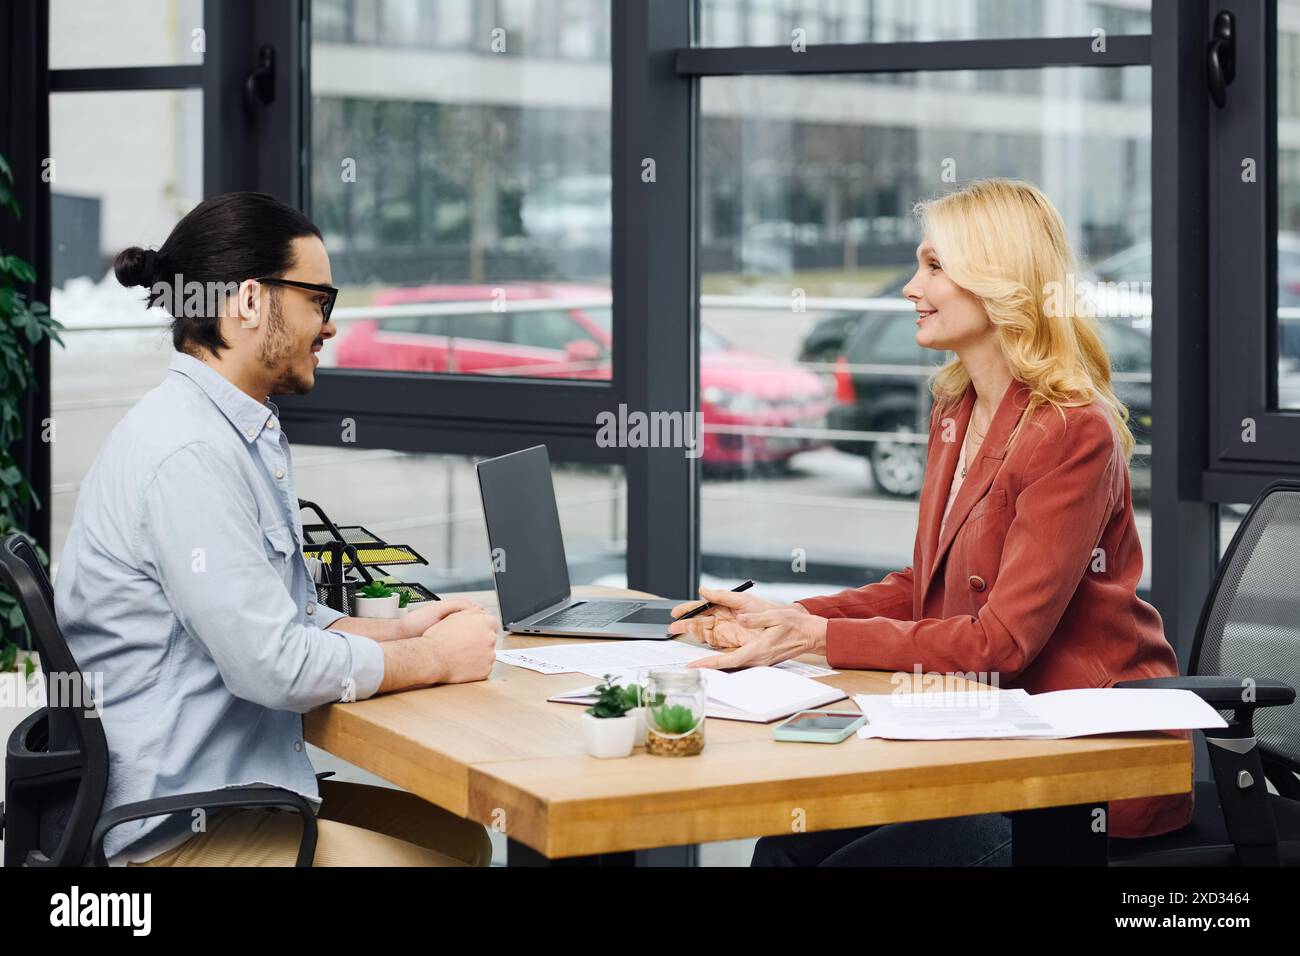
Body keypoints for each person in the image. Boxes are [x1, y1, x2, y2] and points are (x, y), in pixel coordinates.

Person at [668, 178, 1192, 866]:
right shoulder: (957, 409)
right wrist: (784, 619)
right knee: (784, 852)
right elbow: (928, 586)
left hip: (1079, 764)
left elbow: (1000, 643)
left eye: (935, 267)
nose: (911, 288)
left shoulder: (1070, 430)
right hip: (985, 735)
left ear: (999, 283)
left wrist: (816, 636)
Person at [55, 192, 500, 867]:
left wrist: (402, 630)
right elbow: (275, 667)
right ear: (249, 302)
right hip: (178, 828)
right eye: (319, 299)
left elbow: (279, 618)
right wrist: (438, 660)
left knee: (464, 839)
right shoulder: (190, 454)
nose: (329, 326)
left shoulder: (228, 430)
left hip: (237, 790)